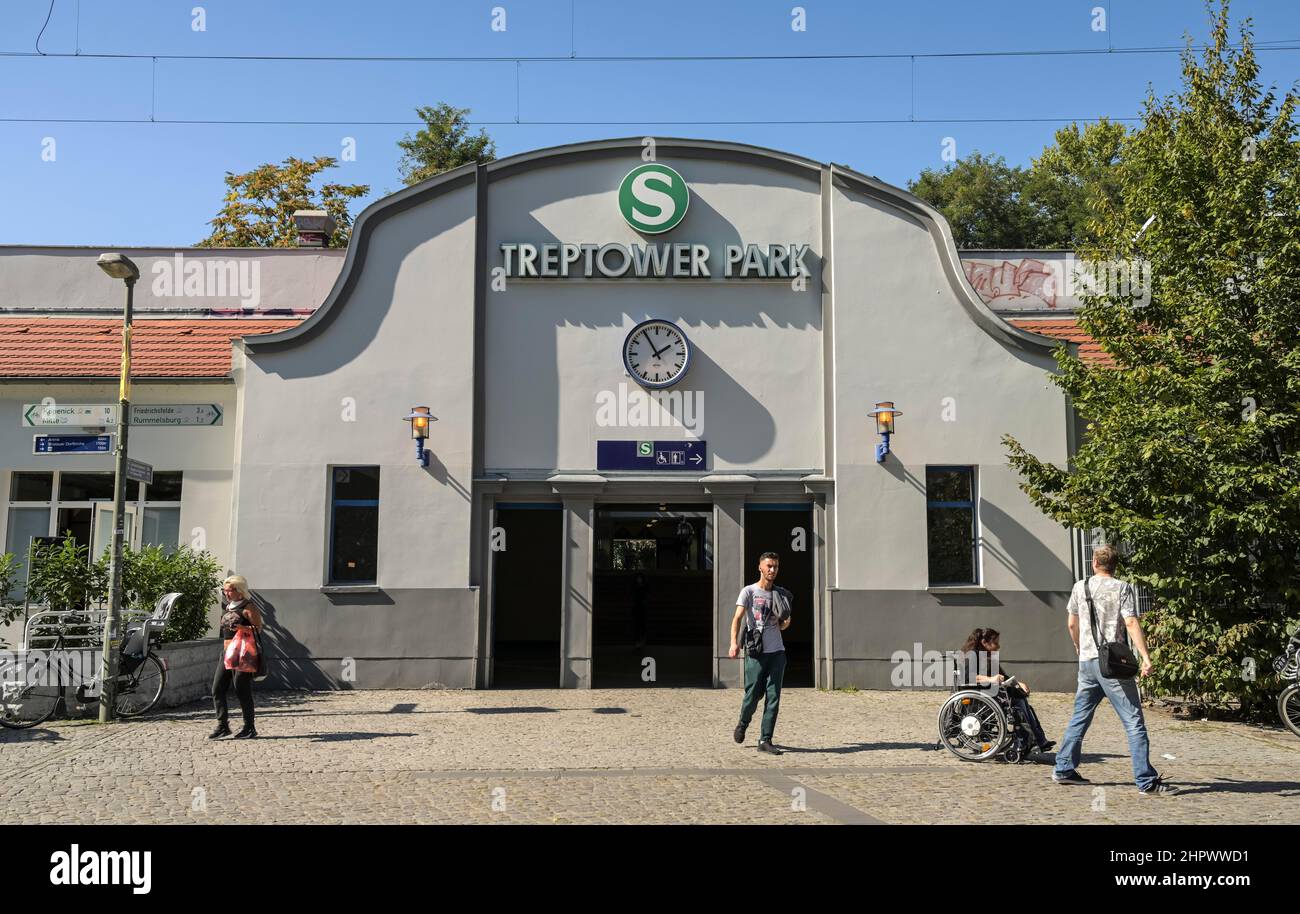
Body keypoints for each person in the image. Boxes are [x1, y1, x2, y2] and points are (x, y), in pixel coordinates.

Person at [1052, 545, 1178, 794]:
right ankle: (1146, 780)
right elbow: (1130, 621)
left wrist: (1079, 647)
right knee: (1133, 721)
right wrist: (1145, 657)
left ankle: (1064, 768)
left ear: (1094, 564)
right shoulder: (1122, 587)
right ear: (1115, 565)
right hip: (1112, 666)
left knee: (1080, 717)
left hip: (1087, 661)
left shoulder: (1080, 586)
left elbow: (1070, 623)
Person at [729, 552, 792, 755]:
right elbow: (737, 618)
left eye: (775, 567)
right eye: (769, 566)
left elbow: (782, 626)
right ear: (760, 567)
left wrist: (786, 622)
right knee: (753, 695)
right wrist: (733, 643)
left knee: (773, 696)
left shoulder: (780, 594)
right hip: (756, 652)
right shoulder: (748, 592)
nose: (772, 570)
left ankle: (765, 739)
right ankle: (743, 722)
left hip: (777, 652)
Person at [960, 627, 1054, 754]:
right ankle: (1025, 741)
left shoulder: (989, 657)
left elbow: (1003, 676)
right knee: (1015, 703)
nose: (998, 646)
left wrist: (1019, 684)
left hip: (989, 693)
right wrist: (990, 678)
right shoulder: (971, 656)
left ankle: (1037, 739)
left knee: (1021, 699)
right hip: (977, 698)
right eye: (995, 642)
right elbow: (968, 677)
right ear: (984, 642)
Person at [210, 574, 263, 740]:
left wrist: (242, 627)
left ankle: (249, 727)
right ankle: (223, 725)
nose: (226, 594)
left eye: (229, 590)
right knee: (217, 688)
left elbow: (258, 629)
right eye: (224, 590)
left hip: (242, 654)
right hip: (226, 652)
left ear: (240, 591)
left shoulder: (249, 606)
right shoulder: (229, 606)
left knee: (242, 689)